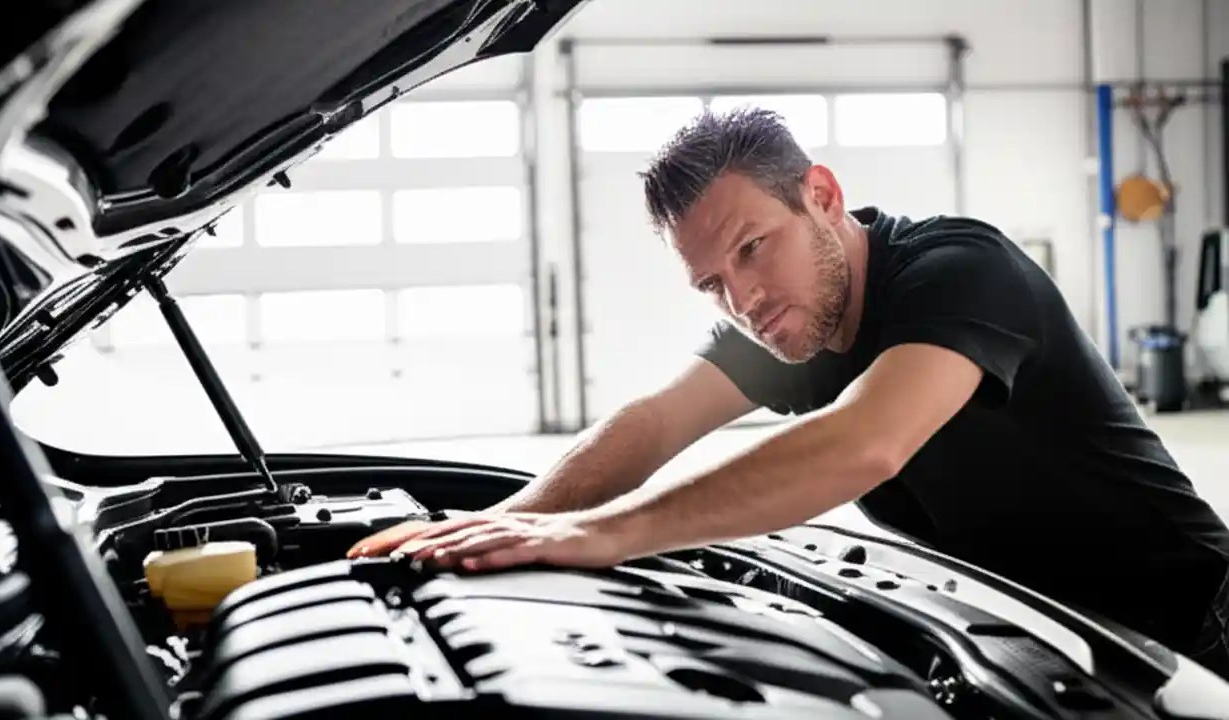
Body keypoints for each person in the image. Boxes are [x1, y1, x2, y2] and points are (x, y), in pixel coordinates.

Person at [349, 107, 1229, 672]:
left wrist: (600, 534)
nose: (744, 300)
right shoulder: (785, 329)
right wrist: (517, 524)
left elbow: (864, 441)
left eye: (751, 247)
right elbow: (655, 424)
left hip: (1199, 629)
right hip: (1057, 644)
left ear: (821, 194)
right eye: (711, 286)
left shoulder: (962, 271)